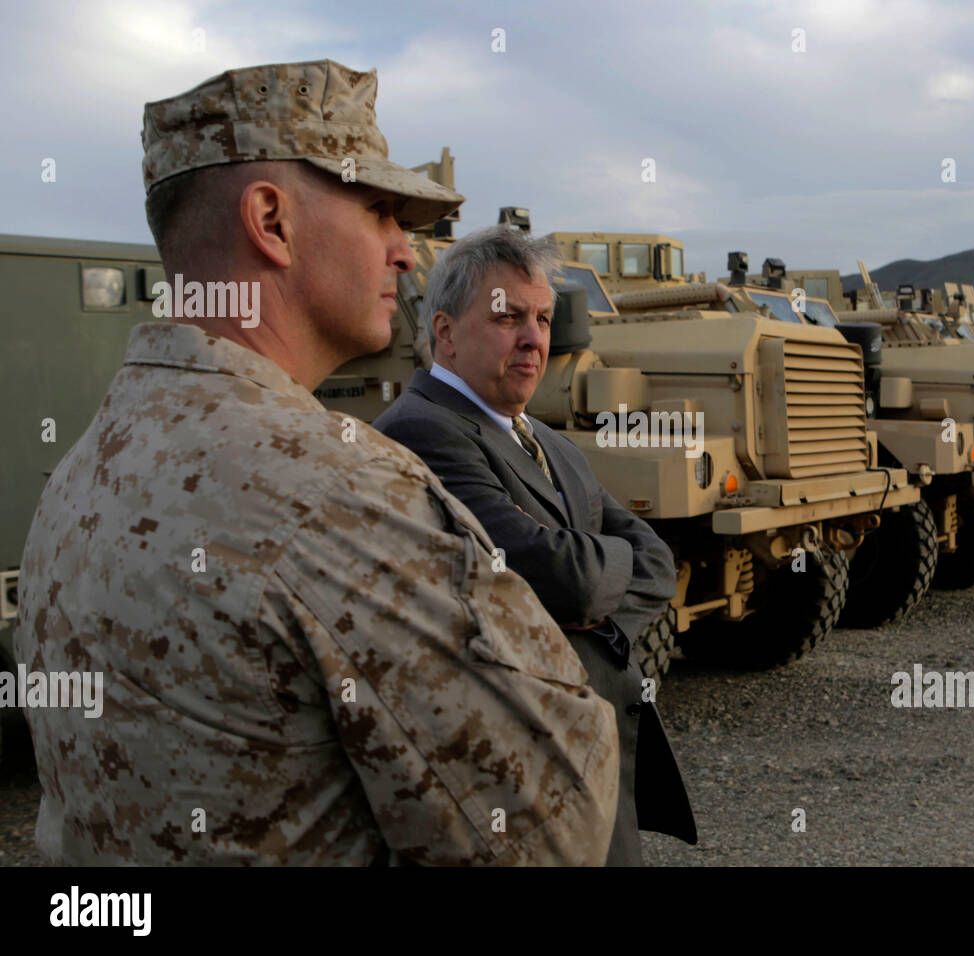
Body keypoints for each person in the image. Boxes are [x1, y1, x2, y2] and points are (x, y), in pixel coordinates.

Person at [13, 59, 620, 865]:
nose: (406, 253)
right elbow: (550, 826)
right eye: (378, 211)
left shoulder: (82, 472)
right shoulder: (341, 492)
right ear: (272, 220)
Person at [373, 227, 696, 865]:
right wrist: (585, 589)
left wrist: (589, 606)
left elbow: (657, 561)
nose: (534, 337)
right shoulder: (424, 432)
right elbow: (564, 576)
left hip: (591, 754)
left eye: (543, 318)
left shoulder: (550, 442)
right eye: (509, 317)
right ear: (445, 333)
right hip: (514, 775)